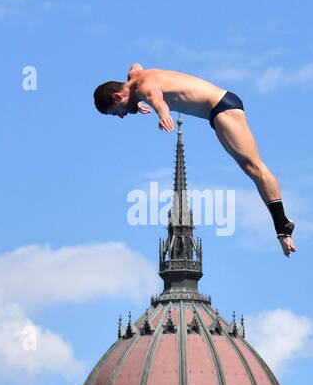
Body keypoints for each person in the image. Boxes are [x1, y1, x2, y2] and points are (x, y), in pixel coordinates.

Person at [93, 65, 296, 256]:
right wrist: (136, 104)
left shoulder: (145, 88)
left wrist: (162, 114)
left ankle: (282, 226)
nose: (120, 116)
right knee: (249, 167)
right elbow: (136, 65)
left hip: (222, 108)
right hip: (218, 108)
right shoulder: (134, 76)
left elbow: (155, 96)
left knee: (254, 167)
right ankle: (282, 223)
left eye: (116, 112)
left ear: (117, 96)